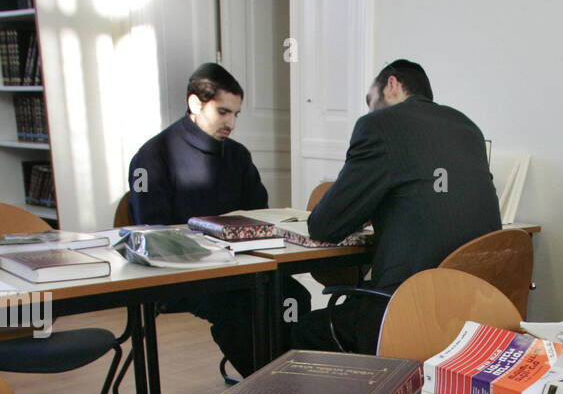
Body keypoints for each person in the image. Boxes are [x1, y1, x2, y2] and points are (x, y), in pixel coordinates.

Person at [298, 59, 501, 354]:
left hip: (405, 313)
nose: (369, 109)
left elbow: (324, 226)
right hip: (474, 314)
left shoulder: (380, 125)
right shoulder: (467, 127)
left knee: (304, 330)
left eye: (370, 100)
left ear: (391, 85)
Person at [127, 62, 309, 376]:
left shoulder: (237, 156)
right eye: (224, 112)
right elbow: (153, 235)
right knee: (241, 311)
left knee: (294, 296)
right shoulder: (152, 158)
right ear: (196, 103)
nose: (231, 123)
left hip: (240, 266)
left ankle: (286, 380)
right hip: (186, 275)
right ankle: (268, 387)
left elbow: (259, 215)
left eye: (236, 114)